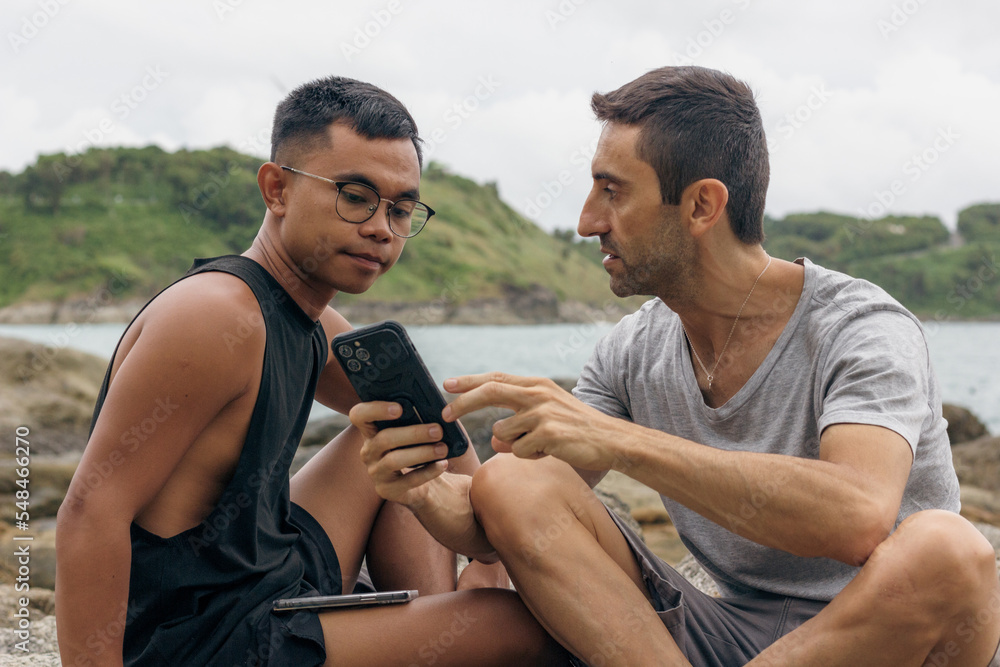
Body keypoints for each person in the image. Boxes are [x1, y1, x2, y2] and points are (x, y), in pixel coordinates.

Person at [361, 66, 1000, 666]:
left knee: (950, 550)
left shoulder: (861, 328)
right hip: (720, 631)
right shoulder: (634, 348)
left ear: (701, 206)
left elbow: (856, 518)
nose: (586, 223)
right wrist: (426, 492)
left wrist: (620, 439)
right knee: (512, 483)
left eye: (612, 192)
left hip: (884, 637)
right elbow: (501, 527)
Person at [55, 75, 566, 666]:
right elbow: (91, 512)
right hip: (206, 637)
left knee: (395, 431)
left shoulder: (312, 321)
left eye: (401, 210)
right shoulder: (212, 317)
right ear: (276, 189)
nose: (381, 227)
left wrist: (486, 558)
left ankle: (438, 625)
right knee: (523, 625)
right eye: (355, 196)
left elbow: (432, 426)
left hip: (269, 579)